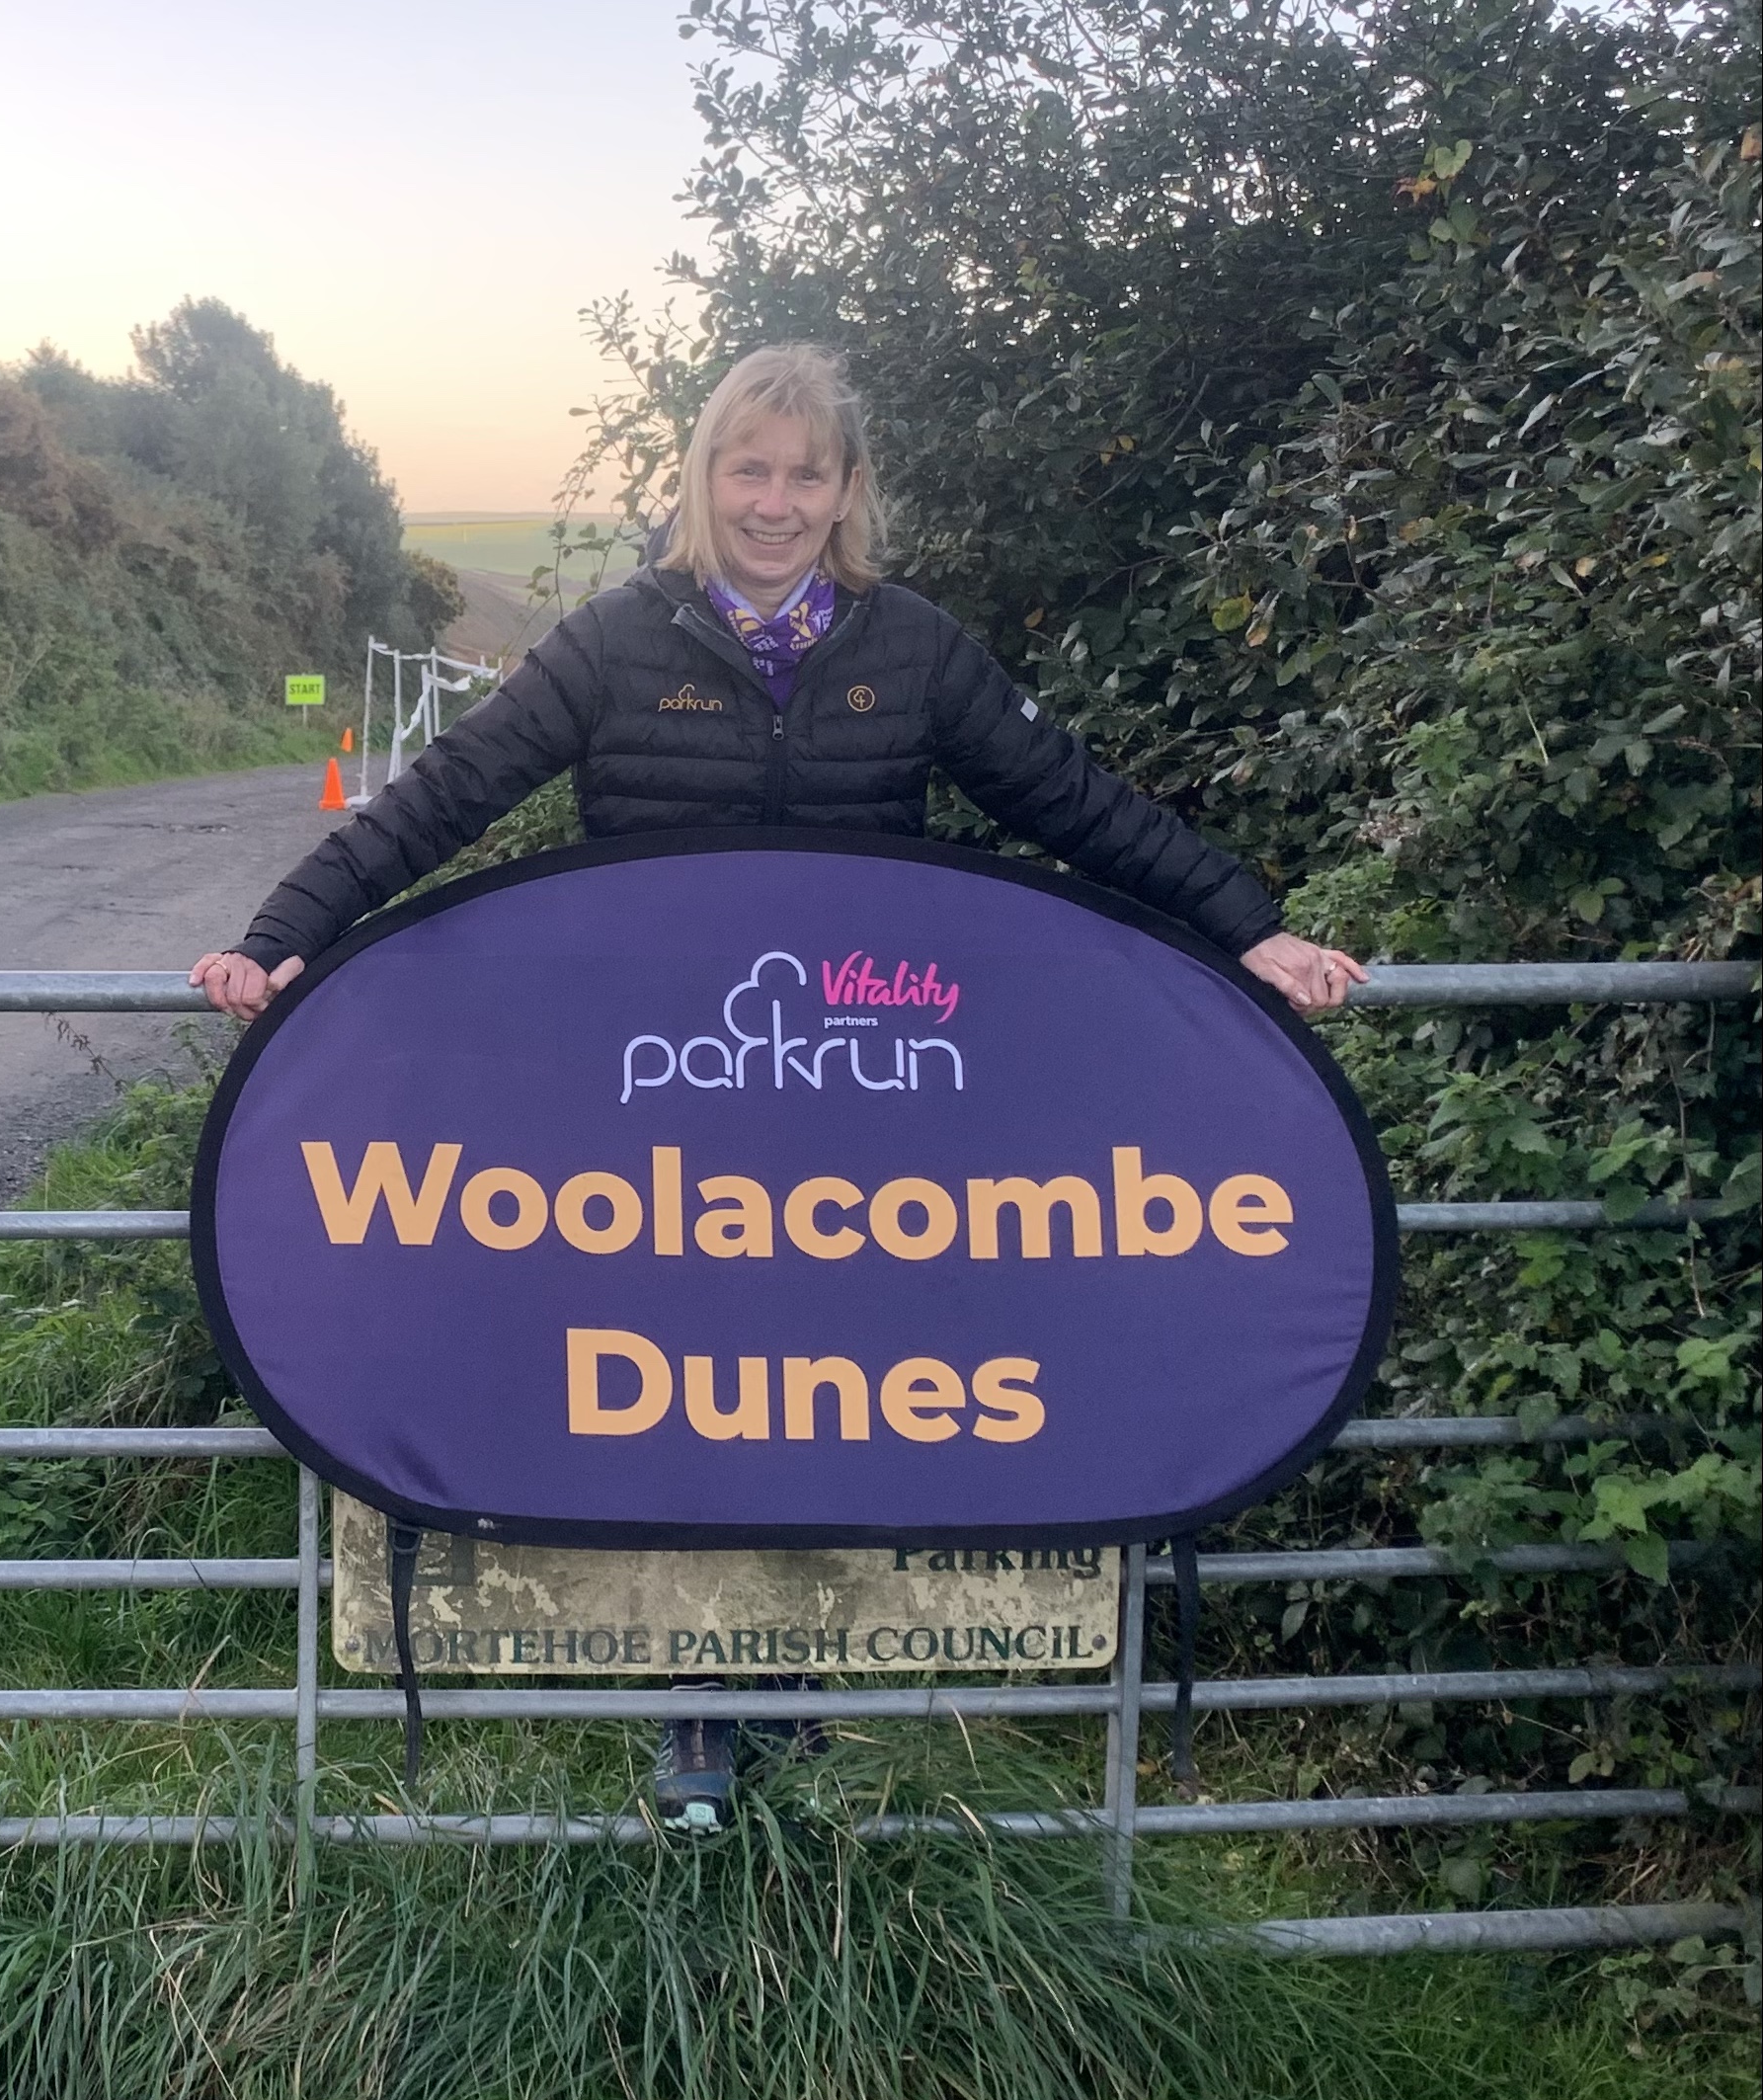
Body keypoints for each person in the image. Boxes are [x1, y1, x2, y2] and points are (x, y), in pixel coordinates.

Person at [190, 343, 1365, 1825]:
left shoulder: (911, 645)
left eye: (807, 474)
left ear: (848, 489)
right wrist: (279, 940)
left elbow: (1075, 804)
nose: (775, 501)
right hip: (657, 1105)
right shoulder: (615, 642)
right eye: (749, 468)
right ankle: (701, 1703)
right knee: (679, 1382)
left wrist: (1249, 930)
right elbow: (444, 797)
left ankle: (795, 1693)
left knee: (815, 1387)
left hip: (852, 1098)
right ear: (703, 477)